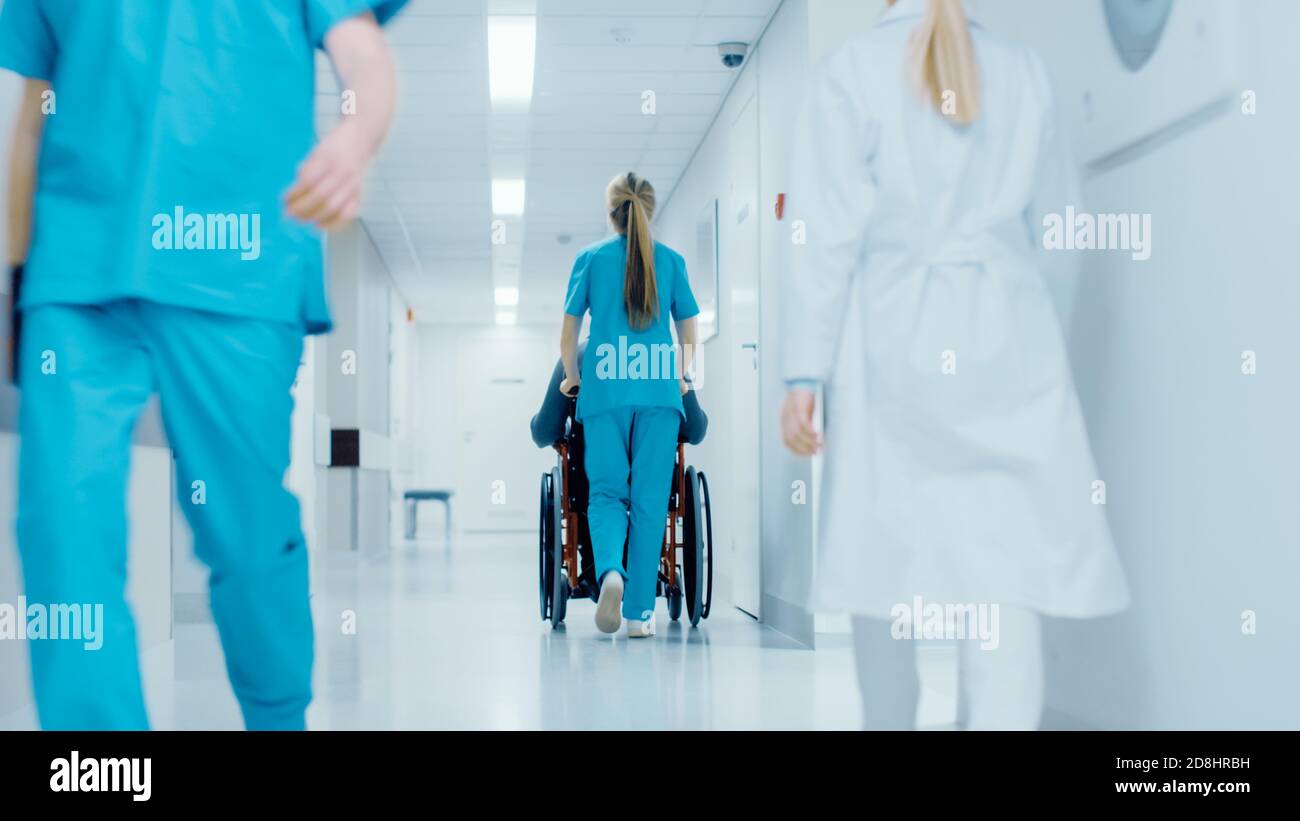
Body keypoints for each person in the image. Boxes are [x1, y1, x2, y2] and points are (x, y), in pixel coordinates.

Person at [1, 0, 406, 730]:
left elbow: (365, 56)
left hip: (237, 267)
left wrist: (355, 138)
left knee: (244, 531)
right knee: (62, 521)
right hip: (74, 268)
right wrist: (15, 281)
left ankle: (278, 717)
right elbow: (33, 109)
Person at [779, 0, 1129, 730]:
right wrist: (1040, 342)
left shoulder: (849, 74)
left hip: (891, 343)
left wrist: (803, 374)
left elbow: (822, 242)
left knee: (884, 565)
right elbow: (1062, 236)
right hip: (1009, 335)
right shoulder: (1022, 70)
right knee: (1007, 566)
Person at [560, 172, 699, 638]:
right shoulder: (673, 262)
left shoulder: (591, 259)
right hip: (659, 391)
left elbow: (570, 331)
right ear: (649, 210)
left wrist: (573, 378)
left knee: (605, 494)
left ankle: (611, 576)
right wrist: (683, 375)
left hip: (605, 392)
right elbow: (688, 328)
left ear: (611, 211)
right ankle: (641, 615)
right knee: (650, 501)